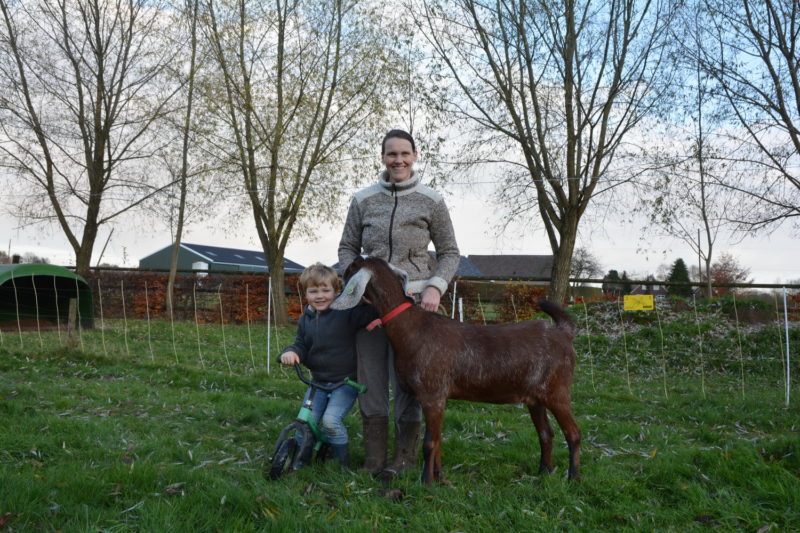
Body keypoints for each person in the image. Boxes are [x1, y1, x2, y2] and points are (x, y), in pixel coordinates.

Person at [338, 129, 460, 477]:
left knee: (411, 381)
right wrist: (354, 281)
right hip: (370, 306)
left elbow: (450, 252)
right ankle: (375, 458)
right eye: (391, 154)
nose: (398, 160)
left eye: (404, 153)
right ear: (382, 158)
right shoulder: (363, 200)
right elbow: (346, 248)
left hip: (416, 309)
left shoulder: (431, 200)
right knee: (372, 379)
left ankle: (404, 458)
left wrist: (436, 286)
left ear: (415, 155)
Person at [279, 263, 377, 469]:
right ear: (305, 293)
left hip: (345, 382)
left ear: (336, 291)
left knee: (331, 421)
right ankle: (300, 459)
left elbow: (370, 312)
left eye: (326, 290)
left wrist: (371, 302)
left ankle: (340, 461)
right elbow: (301, 344)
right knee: (305, 421)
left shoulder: (346, 313)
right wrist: (291, 352)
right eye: (313, 291)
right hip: (318, 382)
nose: (320, 296)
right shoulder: (306, 318)